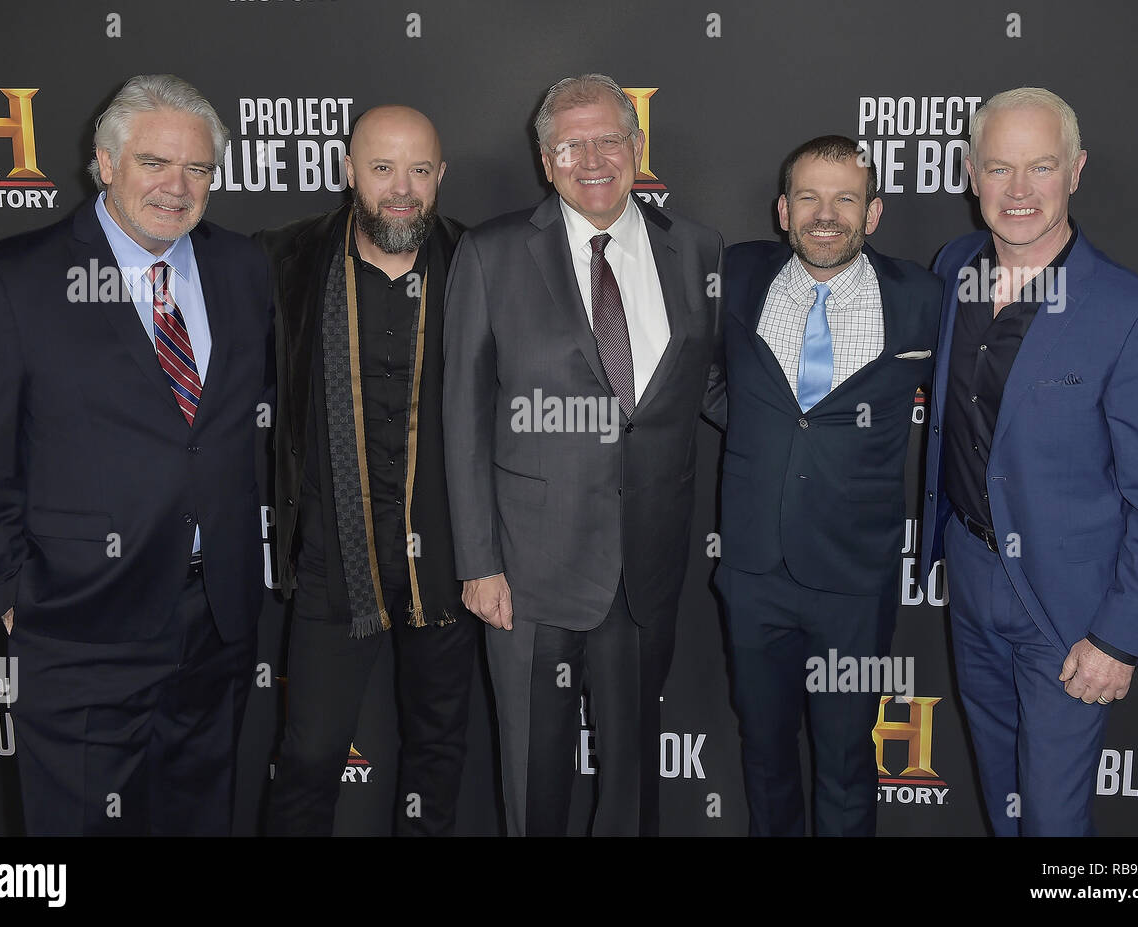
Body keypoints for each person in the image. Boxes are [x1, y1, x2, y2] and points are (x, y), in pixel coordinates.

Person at [0, 74, 273, 835]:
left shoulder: (242, 267)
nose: (176, 186)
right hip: (79, 624)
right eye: (154, 162)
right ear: (104, 161)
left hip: (215, 619)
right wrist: (7, 590)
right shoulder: (16, 278)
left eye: (197, 169)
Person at [443, 73, 723, 836]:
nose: (592, 158)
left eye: (610, 139)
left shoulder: (695, 248)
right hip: (528, 577)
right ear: (545, 159)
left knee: (632, 787)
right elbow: (462, 418)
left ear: (637, 148)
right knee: (534, 787)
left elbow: (712, 388)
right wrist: (477, 561)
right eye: (572, 144)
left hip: (646, 571)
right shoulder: (491, 253)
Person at [921, 87, 1138, 836]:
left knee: (1051, 819)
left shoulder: (1130, 313)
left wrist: (1118, 638)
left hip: (1068, 609)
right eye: (999, 168)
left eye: (1040, 167)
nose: (1018, 191)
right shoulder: (952, 269)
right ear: (970, 174)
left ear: (1074, 171)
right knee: (1002, 798)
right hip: (972, 581)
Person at [257, 105, 477, 837]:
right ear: (348, 172)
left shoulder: (481, 264)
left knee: (438, 754)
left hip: (447, 561)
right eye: (382, 168)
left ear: (441, 176)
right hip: (331, 561)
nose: (401, 188)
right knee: (310, 753)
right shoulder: (284, 262)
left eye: (419, 169)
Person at [713, 136, 941, 836]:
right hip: (754, 572)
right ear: (783, 209)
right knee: (766, 754)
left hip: (853, 579)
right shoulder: (736, 274)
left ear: (873, 212)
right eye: (809, 196)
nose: (826, 214)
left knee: (847, 763)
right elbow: (704, 380)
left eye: (846, 198)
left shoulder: (921, 298)